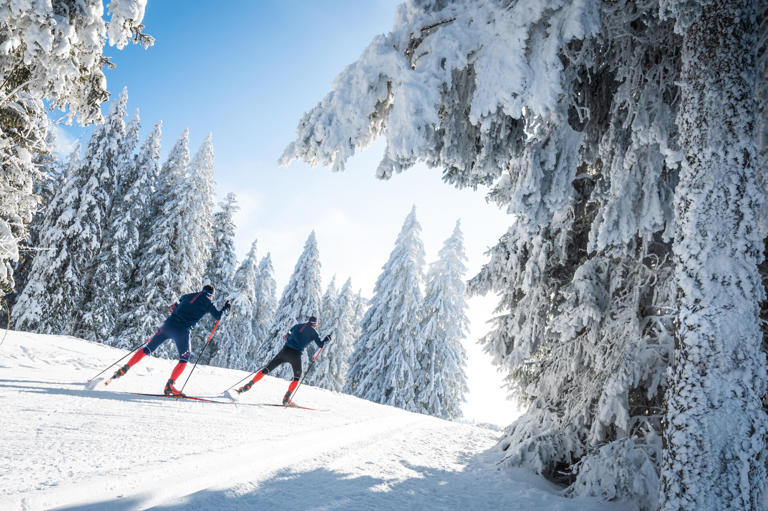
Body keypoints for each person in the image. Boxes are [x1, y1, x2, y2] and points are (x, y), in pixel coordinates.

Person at [110, 284, 230, 396]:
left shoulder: (188, 296)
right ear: (211, 295)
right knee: (185, 357)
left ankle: (125, 368)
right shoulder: (208, 302)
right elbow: (218, 316)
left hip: (167, 326)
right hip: (182, 331)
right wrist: (226, 308)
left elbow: (172, 308)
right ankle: (170, 385)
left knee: (147, 349)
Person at [236, 315, 331, 406]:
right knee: (296, 378)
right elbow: (321, 345)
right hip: (296, 355)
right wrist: (327, 339)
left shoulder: (297, 326)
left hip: (285, 351)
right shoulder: (314, 332)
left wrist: (290, 339)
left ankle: (248, 385)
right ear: (315, 324)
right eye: (316, 324)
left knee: (266, 369)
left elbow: (287, 334)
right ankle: (286, 398)